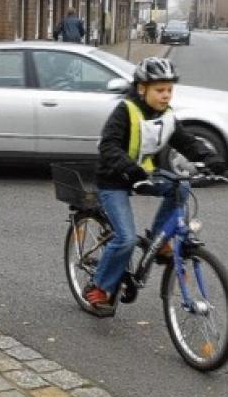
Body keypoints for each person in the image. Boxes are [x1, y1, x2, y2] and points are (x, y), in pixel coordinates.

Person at [83, 57, 214, 314]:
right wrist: (130, 168)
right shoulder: (125, 110)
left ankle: (158, 239)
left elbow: (184, 140)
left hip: (145, 176)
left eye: (169, 90)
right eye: (159, 90)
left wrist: (208, 157)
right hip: (114, 180)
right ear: (142, 89)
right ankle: (99, 287)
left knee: (181, 186)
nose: (166, 96)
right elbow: (107, 147)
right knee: (126, 239)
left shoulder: (166, 115)